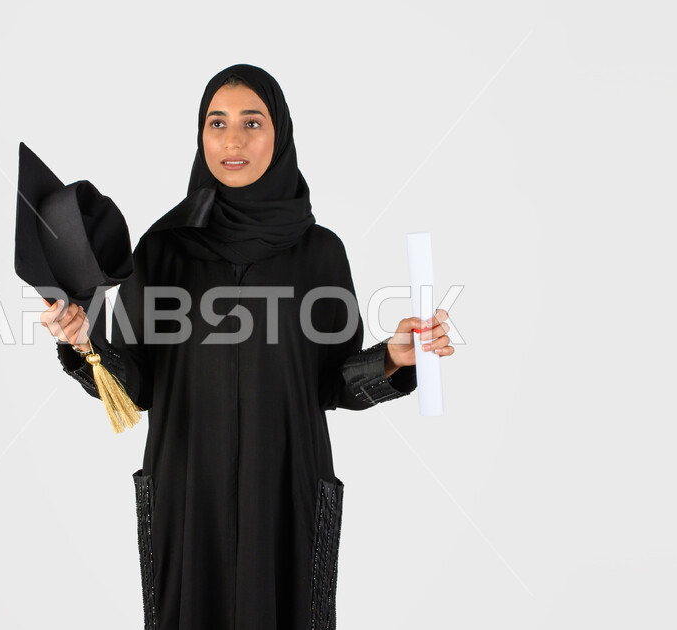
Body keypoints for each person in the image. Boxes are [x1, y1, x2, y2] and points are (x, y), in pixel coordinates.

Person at [39, 64, 454, 630]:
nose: (232, 140)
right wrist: (86, 343)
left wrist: (393, 358)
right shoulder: (162, 251)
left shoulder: (319, 252)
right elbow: (135, 388)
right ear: (200, 135)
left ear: (279, 135)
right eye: (217, 123)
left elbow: (331, 382)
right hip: (189, 487)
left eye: (251, 123)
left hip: (287, 483)